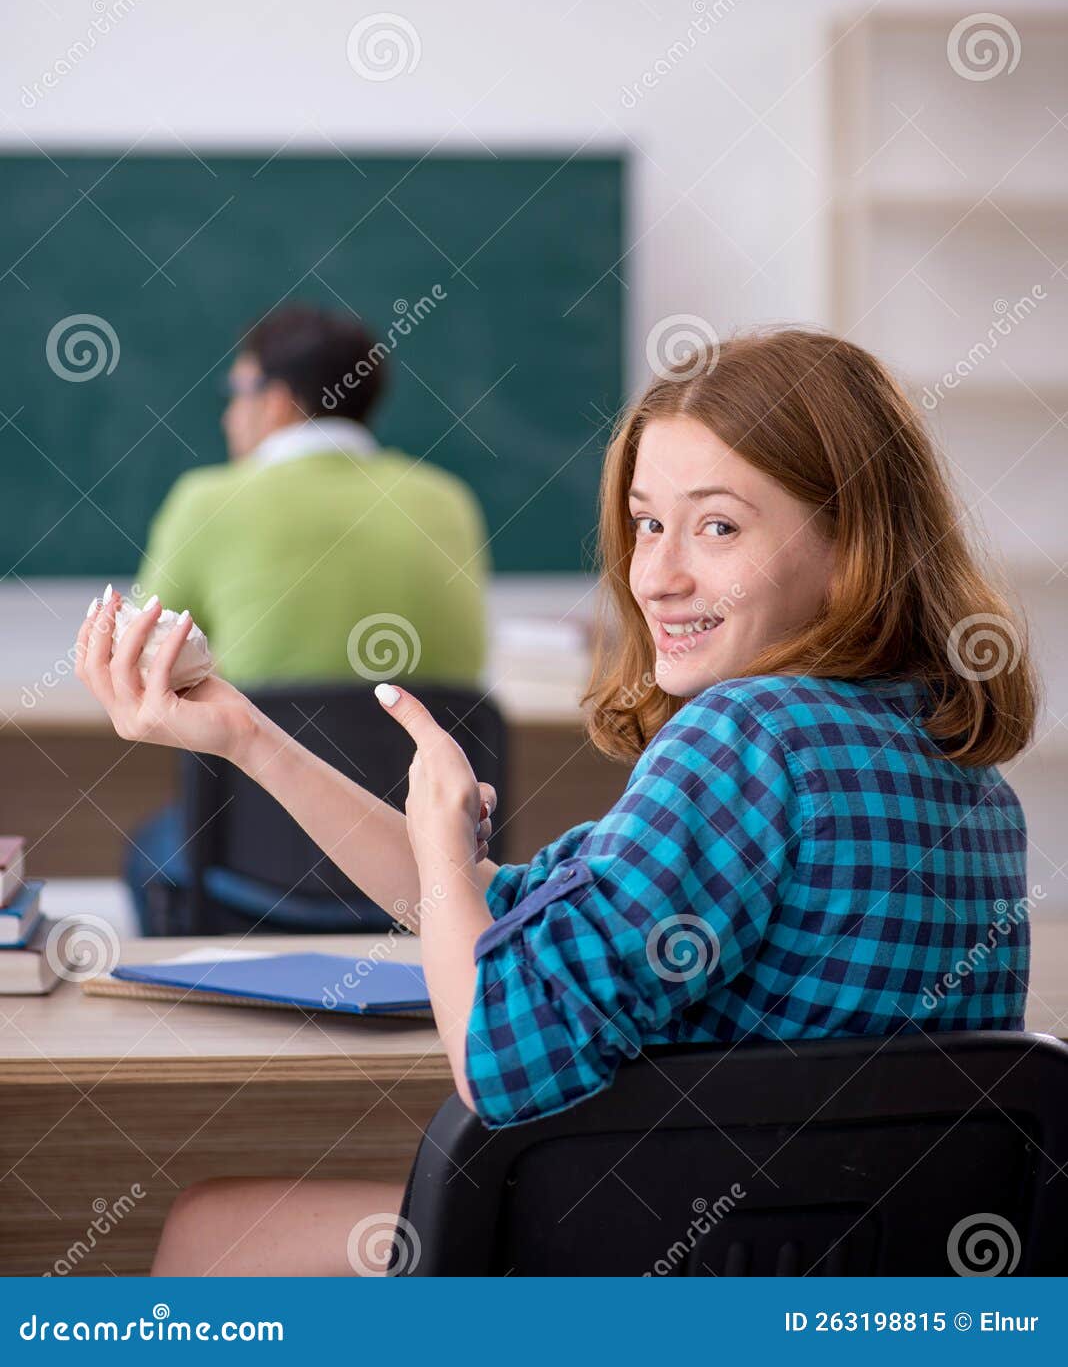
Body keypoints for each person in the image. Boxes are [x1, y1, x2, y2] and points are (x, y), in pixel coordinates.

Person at [75, 325, 1038, 1276]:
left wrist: (444, 854)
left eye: (718, 526)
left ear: (851, 542)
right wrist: (248, 736)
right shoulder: (972, 781)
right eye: (647, 524)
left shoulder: (742, 737)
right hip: (850, 1287)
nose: (656, 576)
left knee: (209, 1228)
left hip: (655, 1271)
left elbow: (500, 1057)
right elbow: (491, 912)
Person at [123, 302, 490, 931]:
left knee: (146, 852)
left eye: (236, 392)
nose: (227, 414)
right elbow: (471, 663)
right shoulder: (448, 501)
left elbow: (142, 657)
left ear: (276, 402)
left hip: (256, 855)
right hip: (427, 863)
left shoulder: (205, 501)